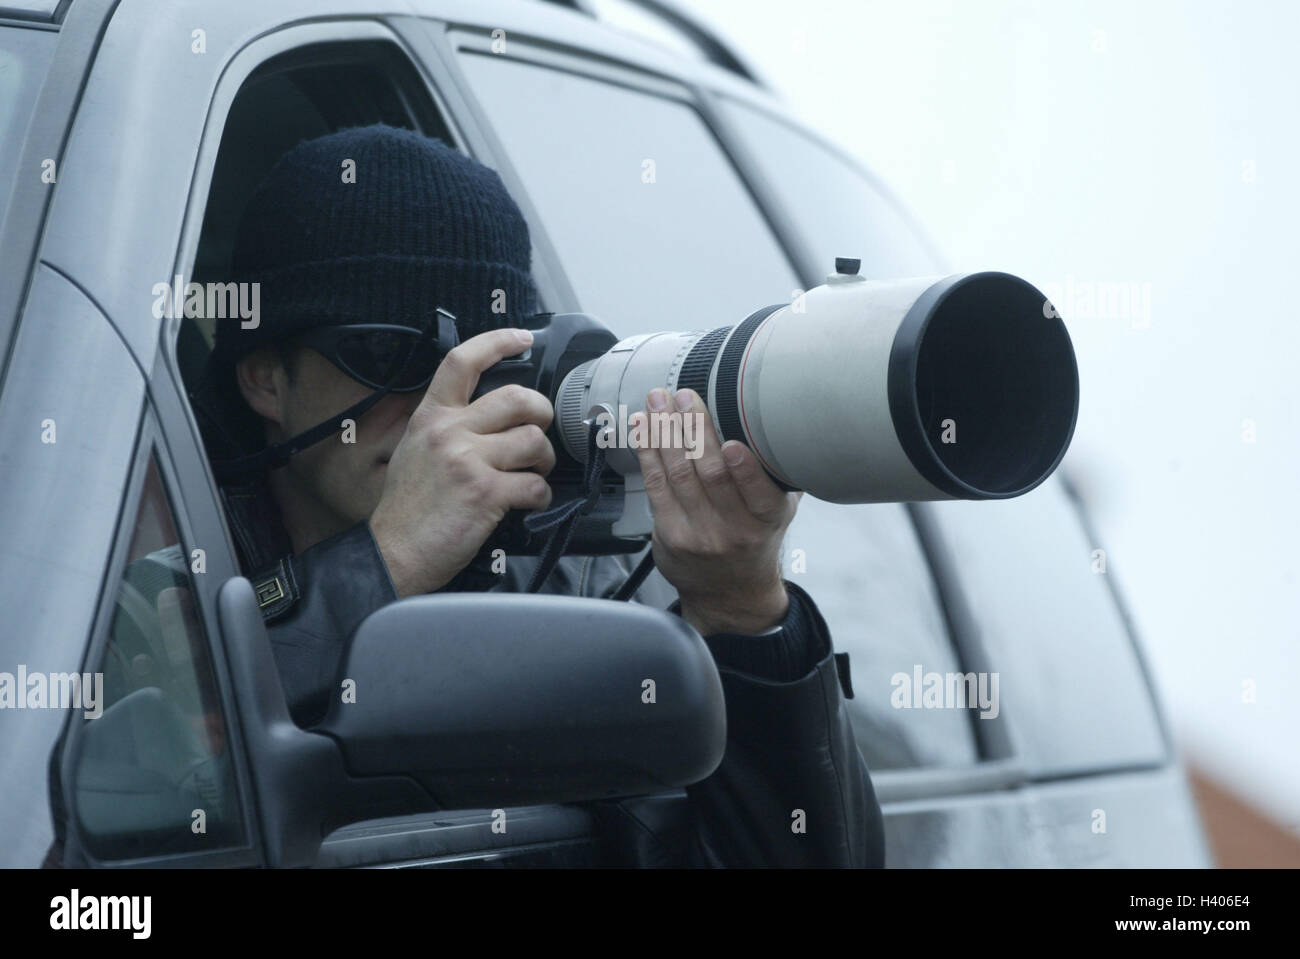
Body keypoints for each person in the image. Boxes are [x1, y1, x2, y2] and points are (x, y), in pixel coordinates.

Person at [190, 123, 883, 867]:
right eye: (388, 355)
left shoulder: (573, 589)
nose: (440, 406)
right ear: (264, 376)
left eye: (486, 360)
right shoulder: (156, 549)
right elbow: (160, 774)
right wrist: (387, 559)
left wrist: (744, 612)